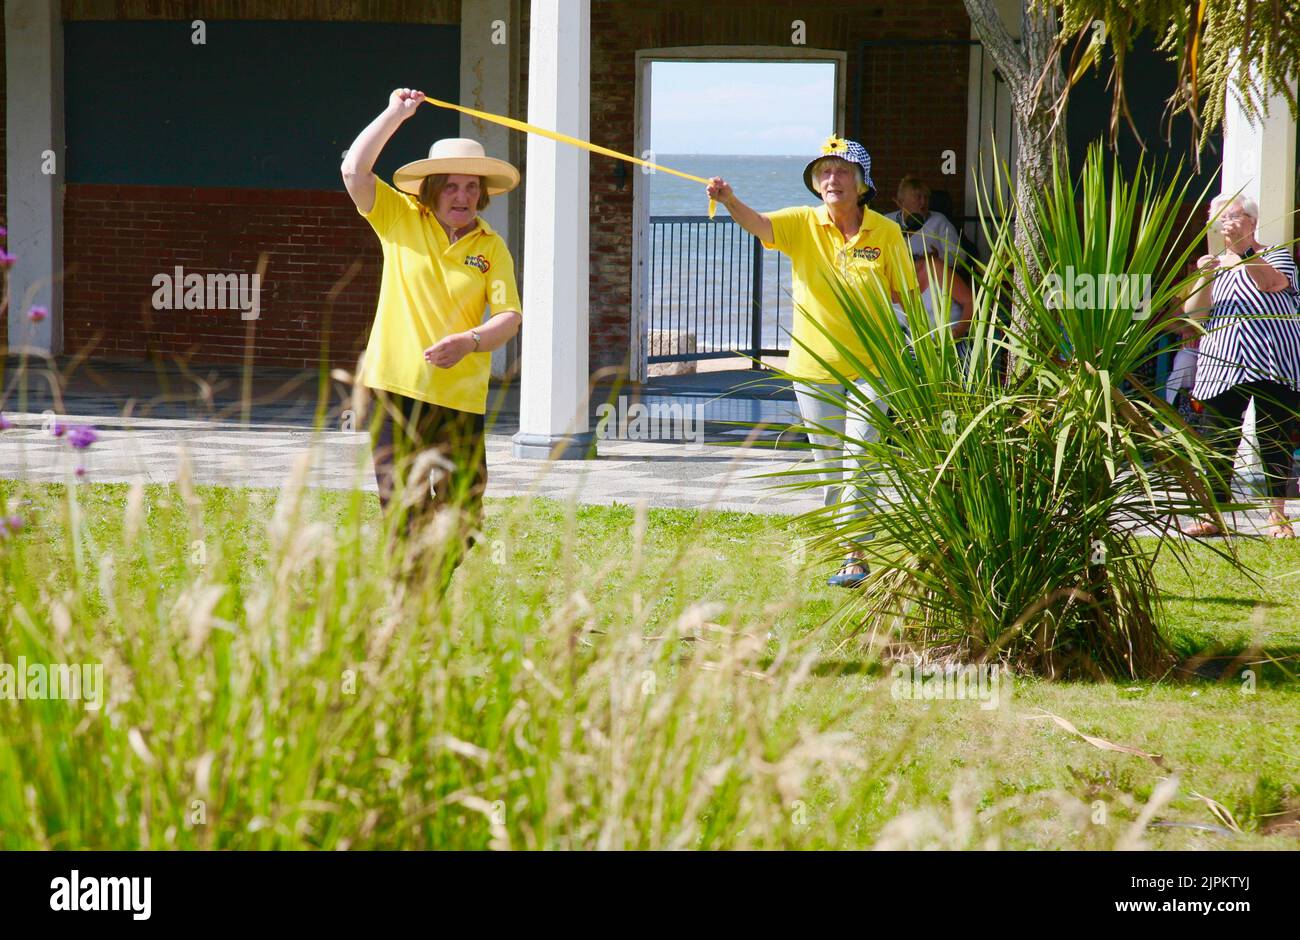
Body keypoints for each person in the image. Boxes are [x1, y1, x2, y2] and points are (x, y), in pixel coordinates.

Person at [706, 135, 917, 587]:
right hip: (813, 367)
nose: (832, 178)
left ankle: (854, 555)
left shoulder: (886, 231)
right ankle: (848, 545)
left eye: (842, 171)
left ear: (862, 183)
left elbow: (905, 295)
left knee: (861, 457)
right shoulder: (803, 223)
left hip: (875, 365)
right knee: (830, 465)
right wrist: (729, 200)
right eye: (824, 172)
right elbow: (760, 225)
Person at [341, 87, 523, 575]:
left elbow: (509, 316)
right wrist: (394, 114)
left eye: (470, 188)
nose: (461, 197)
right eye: (450, 187)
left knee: (464, 517)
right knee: (406, 511)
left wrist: (471, 341)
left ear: (482, 193)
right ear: (431, 189)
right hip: (395, 391)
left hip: (460, 400)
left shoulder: (492, 246)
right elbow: (354, 171)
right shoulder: (399, 218)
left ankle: (420, 599)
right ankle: (410, 614)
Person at [1180, 193, 1300, 539]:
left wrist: (1245, 251)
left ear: (1252, 221)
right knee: (1217, 440)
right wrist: (1204, 277)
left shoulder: (1277, 255)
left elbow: (1271, 283)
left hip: (1273, 361)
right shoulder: (1213, 263)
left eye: (1231, 217)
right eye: (1217, 219)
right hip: (1223, 363)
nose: (1224, 225)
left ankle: (1277, 516)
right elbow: (1195, 315)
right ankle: (1212, 514)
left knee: (1274, 438)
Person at [885, 176, 962, 267]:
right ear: (901, 202)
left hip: (929, 275)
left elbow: (959, 257)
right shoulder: (887, 221)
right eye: (918, 197)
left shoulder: (939, 221)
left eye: (926, 197)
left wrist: (938, 258)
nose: (923, 202)